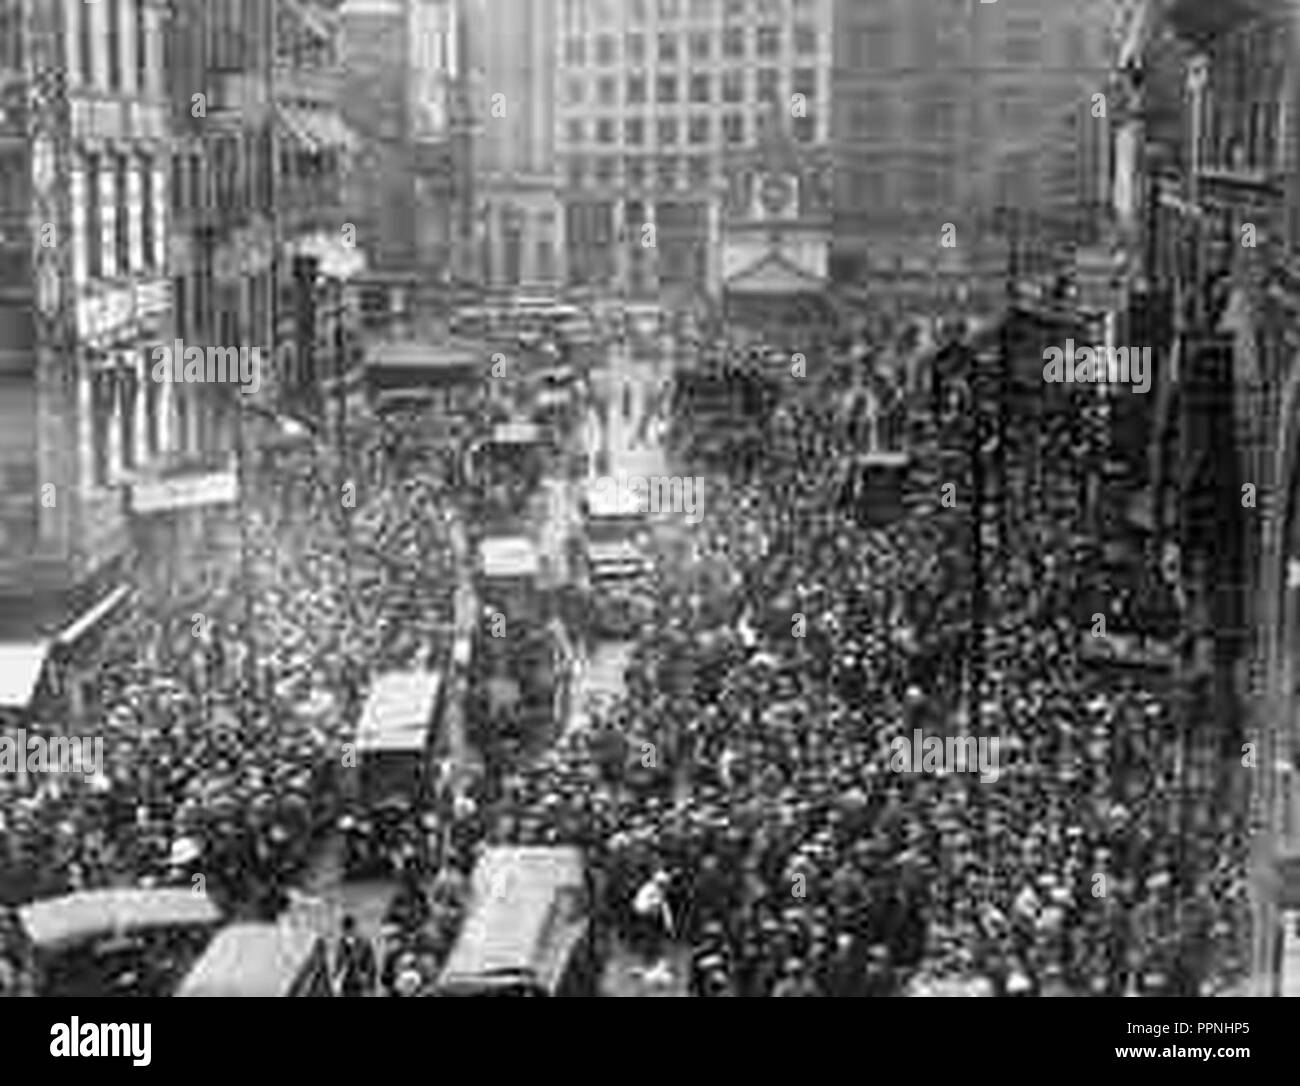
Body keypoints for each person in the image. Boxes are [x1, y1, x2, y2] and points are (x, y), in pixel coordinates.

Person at [335, 914, 376, 998]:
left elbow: (371, 966)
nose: (348, 933)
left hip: (360, 986)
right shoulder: (341, 944)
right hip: (345, 985)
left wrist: (367, 980)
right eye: (345, 931)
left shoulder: (365, 944)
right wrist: (337, 978)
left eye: (350, 930)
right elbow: (338, 964)